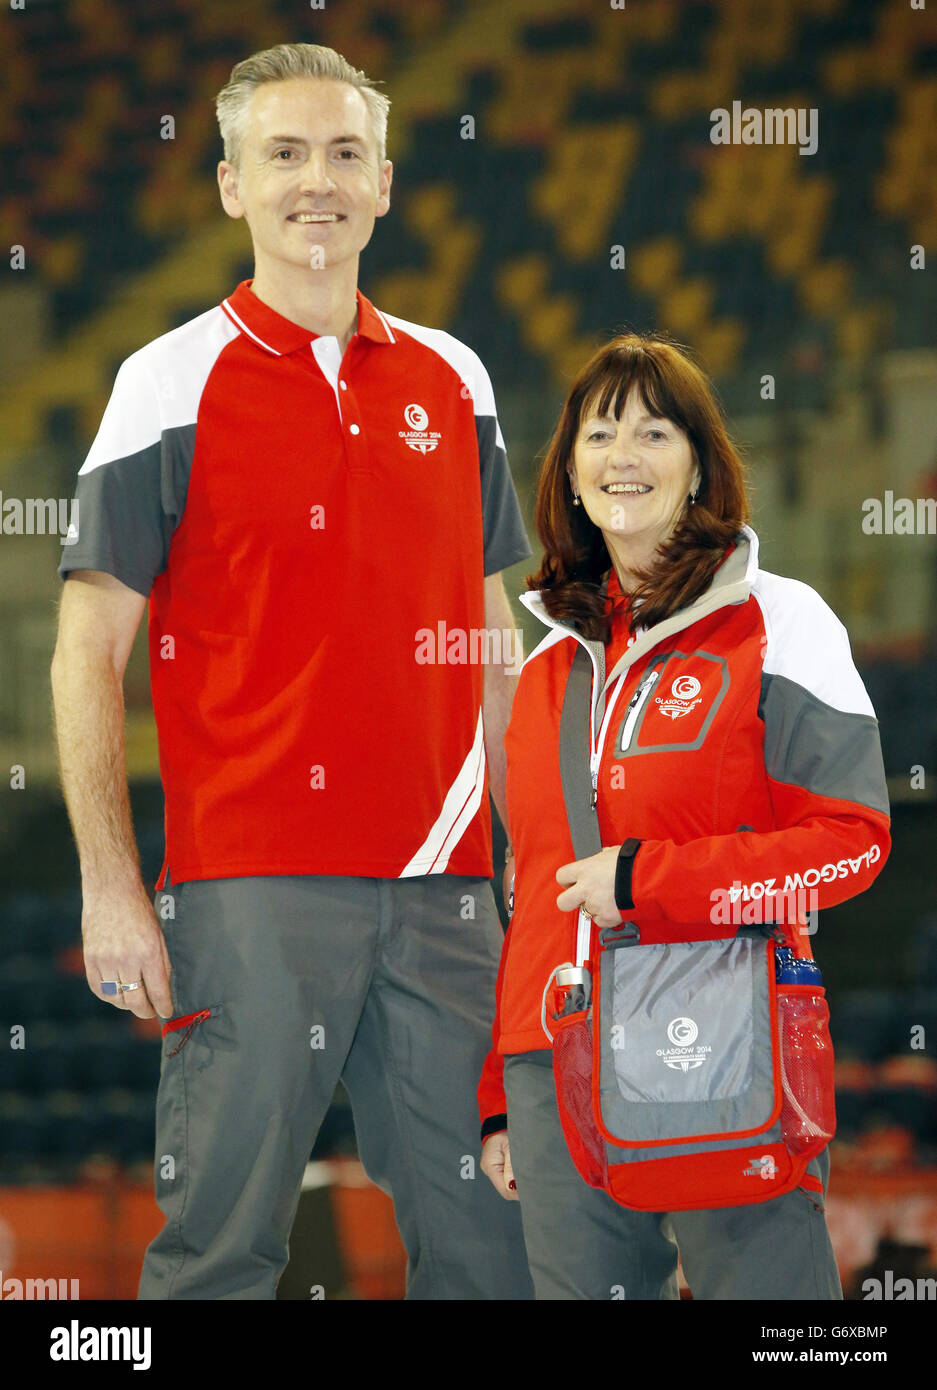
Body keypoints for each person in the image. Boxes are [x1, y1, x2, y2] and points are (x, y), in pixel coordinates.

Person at [50, 42, 534, 1301]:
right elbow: (86, 647)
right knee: (219, 1252)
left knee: (494, 1245)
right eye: (282, 154)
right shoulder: (162, 382)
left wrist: (535, 844)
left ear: (383, 183)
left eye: (343, 153)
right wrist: (110, 883)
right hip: (247, 884)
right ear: (229, 186)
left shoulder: (457, 378)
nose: (315, 180)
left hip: (448, 885)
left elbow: (495, 635)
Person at [478, 333, 891, 1300]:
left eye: (653, 432)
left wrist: (643, 882)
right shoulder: (542, 674)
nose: (623, 456)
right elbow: (525, 892)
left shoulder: (781, 622)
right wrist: (504, 1092)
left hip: (725, 1030)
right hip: (556, 1065)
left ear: (698, 467)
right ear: (569, 475)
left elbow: (850, 848)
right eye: (599, 433)